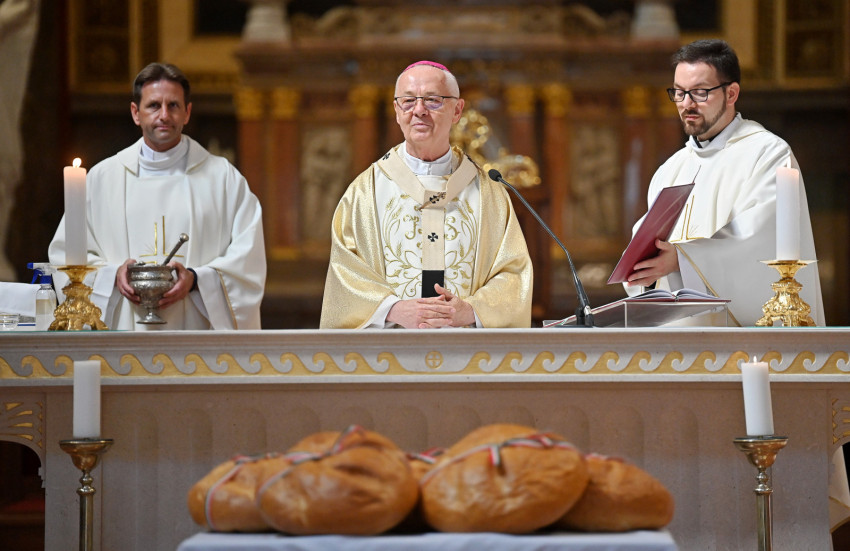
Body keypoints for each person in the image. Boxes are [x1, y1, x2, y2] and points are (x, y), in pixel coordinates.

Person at [48, 63, 266, 330]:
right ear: (135, 113)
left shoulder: (224, 179)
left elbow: (248, 259)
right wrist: (112, 277)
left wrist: (197, 280)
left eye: (173, 105)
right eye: (153, 105)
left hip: (196, 334)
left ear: (187, 112)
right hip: (123, 330)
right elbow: (66, 255)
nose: (164, 115)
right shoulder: (103, 178)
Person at [625, 39, 824, 326]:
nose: (686, 104)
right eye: (679, 93)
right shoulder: (670, 170)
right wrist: (644, 266)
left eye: (700, 92)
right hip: (673, 341)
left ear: (731, 93)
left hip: (743, 343)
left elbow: (760, 240)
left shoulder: (768, 154)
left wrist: (682, 259)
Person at [320, 60, 532, 329]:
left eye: (432, 100)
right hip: (388, 356)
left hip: (468, 354)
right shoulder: (365, 192)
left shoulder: (489, 193)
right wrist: (392, 310)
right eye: (407, 101)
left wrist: (472, 310)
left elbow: (513, 273)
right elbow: (345, 274)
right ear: (396, 110)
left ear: (457, 110)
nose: (418, 111)